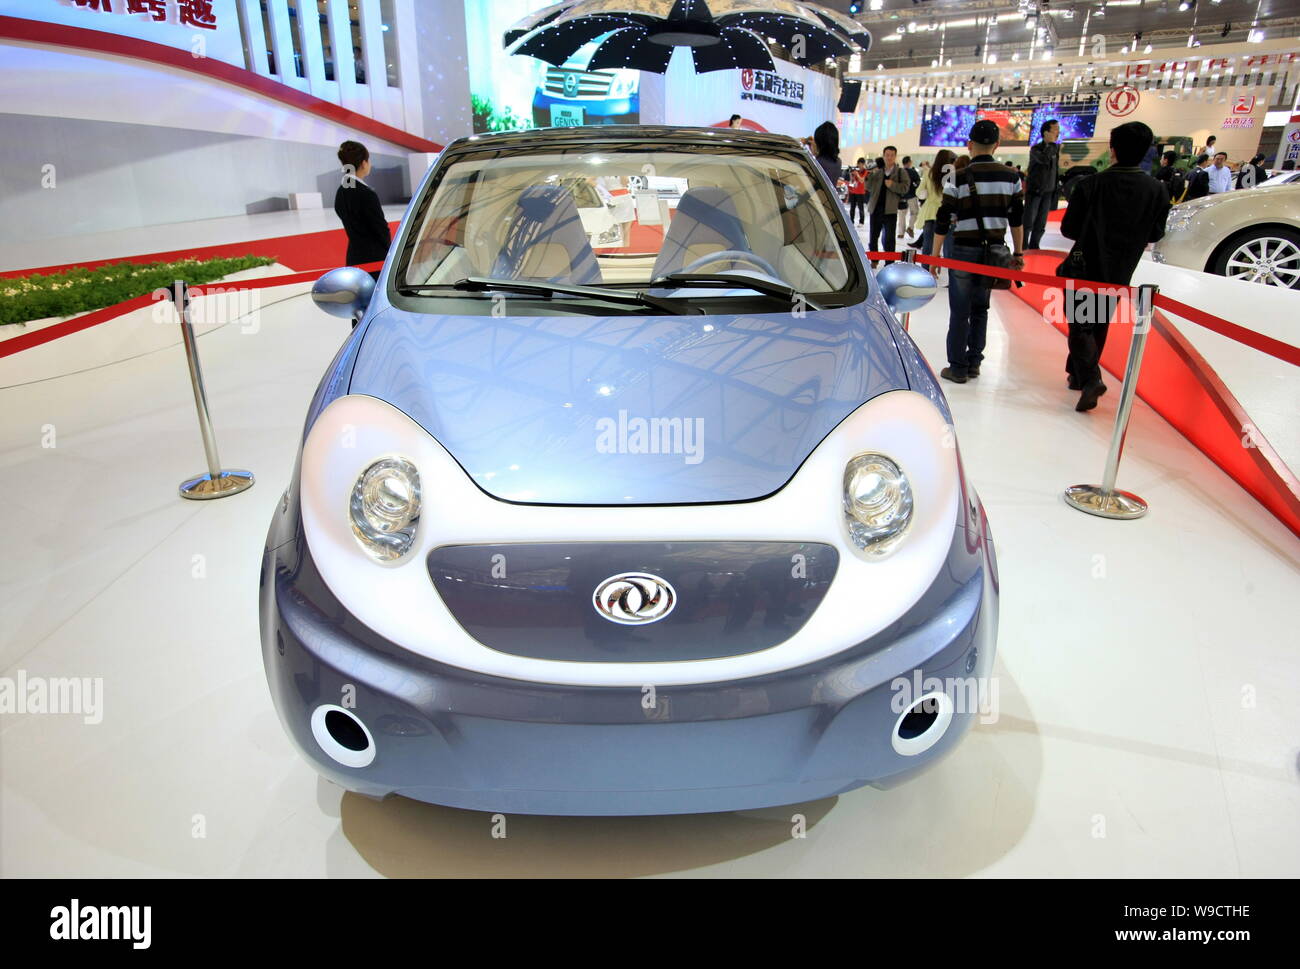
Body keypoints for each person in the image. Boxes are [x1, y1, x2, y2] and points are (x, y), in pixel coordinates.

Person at [1057, 121, 1170, 413]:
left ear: (1113, 149)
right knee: (1099, 321)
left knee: (1081, 324)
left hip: (1085, 265)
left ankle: (1091, 378)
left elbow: (1069, 229)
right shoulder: (1156, 190)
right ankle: (1077, 376)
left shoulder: (1091, 185)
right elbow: (1156, 234)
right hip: (1121, 267)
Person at [930, 120, 1024, 384]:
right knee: (981, 307)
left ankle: (957, 367)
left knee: (960, 311)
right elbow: (1016, 218)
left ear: (969, 145)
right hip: (993, 253)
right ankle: (974, 363)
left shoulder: (955, 177)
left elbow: (943, 216)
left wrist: (935, 257)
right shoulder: (1012, 177)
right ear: (997, 145)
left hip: (962, 250)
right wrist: (1018, 253)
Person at [333, 140, 390, 281]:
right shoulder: (366, 193)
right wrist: (390, 251)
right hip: (375, 260)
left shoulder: (341, 191)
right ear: (364, 163)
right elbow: (380, 228)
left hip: (354, 257)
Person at [913, 148, 956, 271]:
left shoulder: (929, 173)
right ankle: (951, 276)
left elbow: (919, 192)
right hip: (946, 213)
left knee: (927, 245)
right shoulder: (952, 174)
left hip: (930, 212)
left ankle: (925, 272)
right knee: (948, 247)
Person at [865, 145, 910, 261]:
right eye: (887, 155)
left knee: (890, 239)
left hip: (890, 210)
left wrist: (893, 185)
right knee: (873, 237)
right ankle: (874, 260)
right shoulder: (878, 171)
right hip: (875, 209)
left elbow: (905, 188)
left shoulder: (900, 172)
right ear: (883, 156)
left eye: (892, 155)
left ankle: (889, 263)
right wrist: (869, 174)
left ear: (895, 156)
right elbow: (868, 187)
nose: (889, 158)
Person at [1023, 118, 1060, 251]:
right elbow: (1044, 159)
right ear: (1046, 132)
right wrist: (1050, 145)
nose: (1058, 133)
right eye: (1055, 130)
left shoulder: (1056, 149)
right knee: (1028, 222)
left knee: (1041, 223)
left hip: (1049, 192)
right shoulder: (1036, 149)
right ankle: (1023, 246)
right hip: (1035, 190)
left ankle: (1034, 245)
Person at [812, 121, 842, 188]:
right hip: (830, 198)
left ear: (820, 142)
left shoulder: (818, 163)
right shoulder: (838, 161)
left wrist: (813, 153)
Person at [900, 155, 921, 237]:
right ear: (909, 162)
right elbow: (918, 182)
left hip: (901, 196)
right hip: (911, 195)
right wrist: (915, 188)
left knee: (902, 214)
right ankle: (910, 227)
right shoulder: (913, 172)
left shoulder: (899, 171)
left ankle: (901, 233)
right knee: (914, 212)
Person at [847, 157, 868, 226]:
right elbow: (852, 181)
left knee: (860, 207)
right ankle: (851, 221)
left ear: (863, 164)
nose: (859, 165)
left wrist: (857, 174)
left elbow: (862, 180)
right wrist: (852, 174)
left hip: (861, 192)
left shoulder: (865, 171)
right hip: (853, 192)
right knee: (852, 207)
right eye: (858, 164)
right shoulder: (856, 171)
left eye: (861, 164)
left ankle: (861, 222)